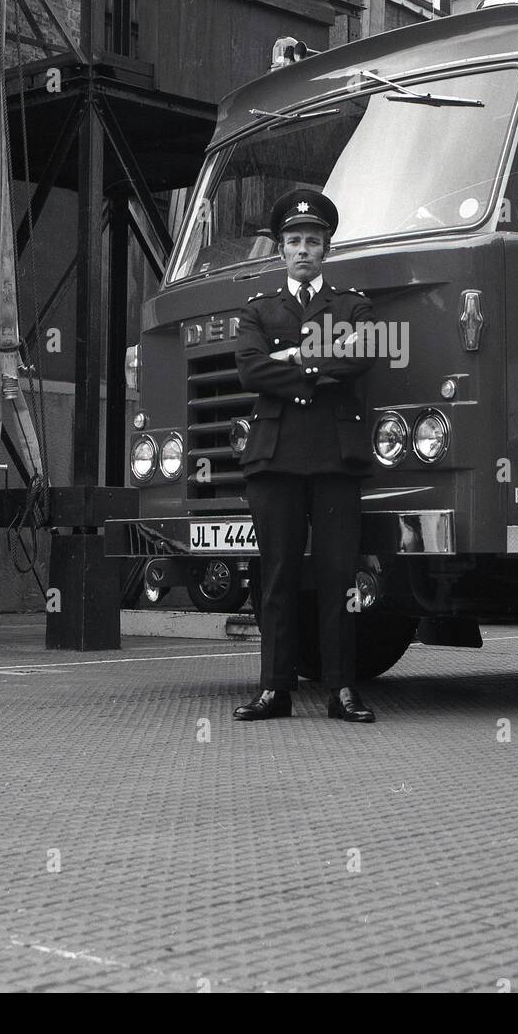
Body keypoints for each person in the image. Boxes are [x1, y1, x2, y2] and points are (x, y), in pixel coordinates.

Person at [233, 189, 376, 723]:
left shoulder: (353, 306)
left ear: (326, 249)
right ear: (280, 250)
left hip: (336, 456)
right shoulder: (258, 309)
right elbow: (250, 370)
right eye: (293, 241)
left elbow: (363, 354)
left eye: (312, 241)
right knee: (277, 577)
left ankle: (342, 690)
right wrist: (321, 364)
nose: (302, 250)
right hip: (275, 457)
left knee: (339, 577)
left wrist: (293, 359)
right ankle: (275, 690)